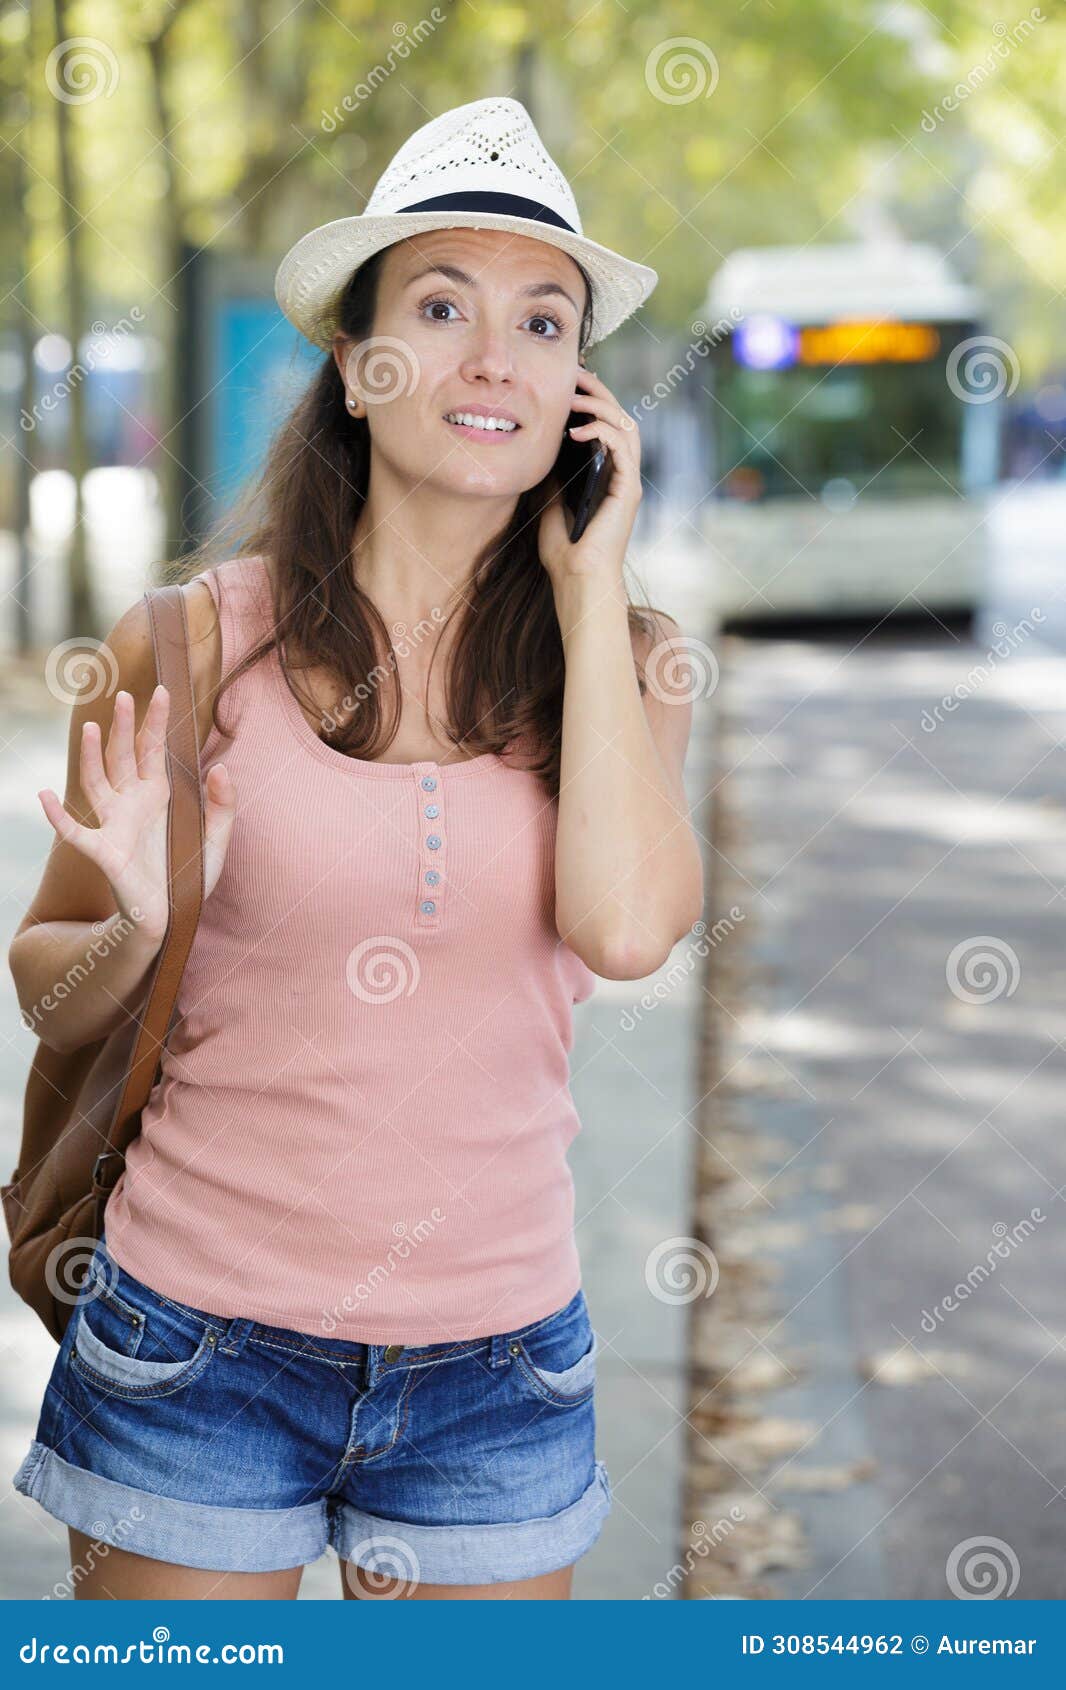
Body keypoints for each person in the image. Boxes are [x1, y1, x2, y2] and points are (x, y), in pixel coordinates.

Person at [9, 96, 704, 1601]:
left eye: (540, 321)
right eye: (440, 305)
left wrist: (591, 594)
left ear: (578, 386)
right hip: (191, 1351)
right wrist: (128, 924)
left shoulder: (630, 663)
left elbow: (628, 930)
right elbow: (47, 987)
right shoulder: (190, 643)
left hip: (497, 1368)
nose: (489, 358)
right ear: (354, 360)